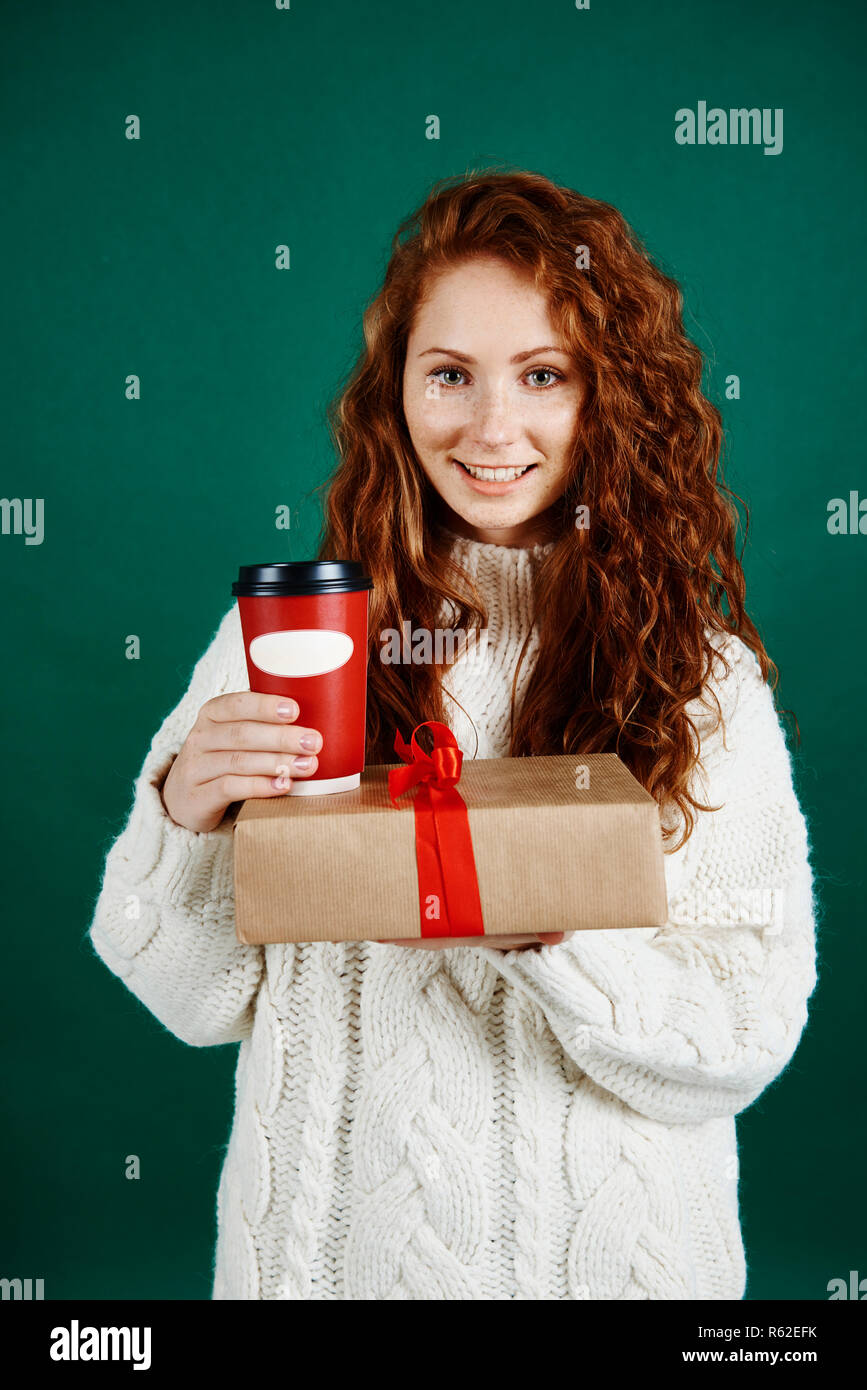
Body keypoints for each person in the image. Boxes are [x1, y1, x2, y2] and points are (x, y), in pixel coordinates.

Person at [87, 169, 818, 1300]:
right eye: (449, 375)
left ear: (608, 397)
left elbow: (741, 1031)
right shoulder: (289, 639)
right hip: (322, 1269)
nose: (491, 427)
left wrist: (539, 924)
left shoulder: (702, 681)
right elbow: (191, 997)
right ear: (396, 396)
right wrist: (184, 818)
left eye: (541, 375)